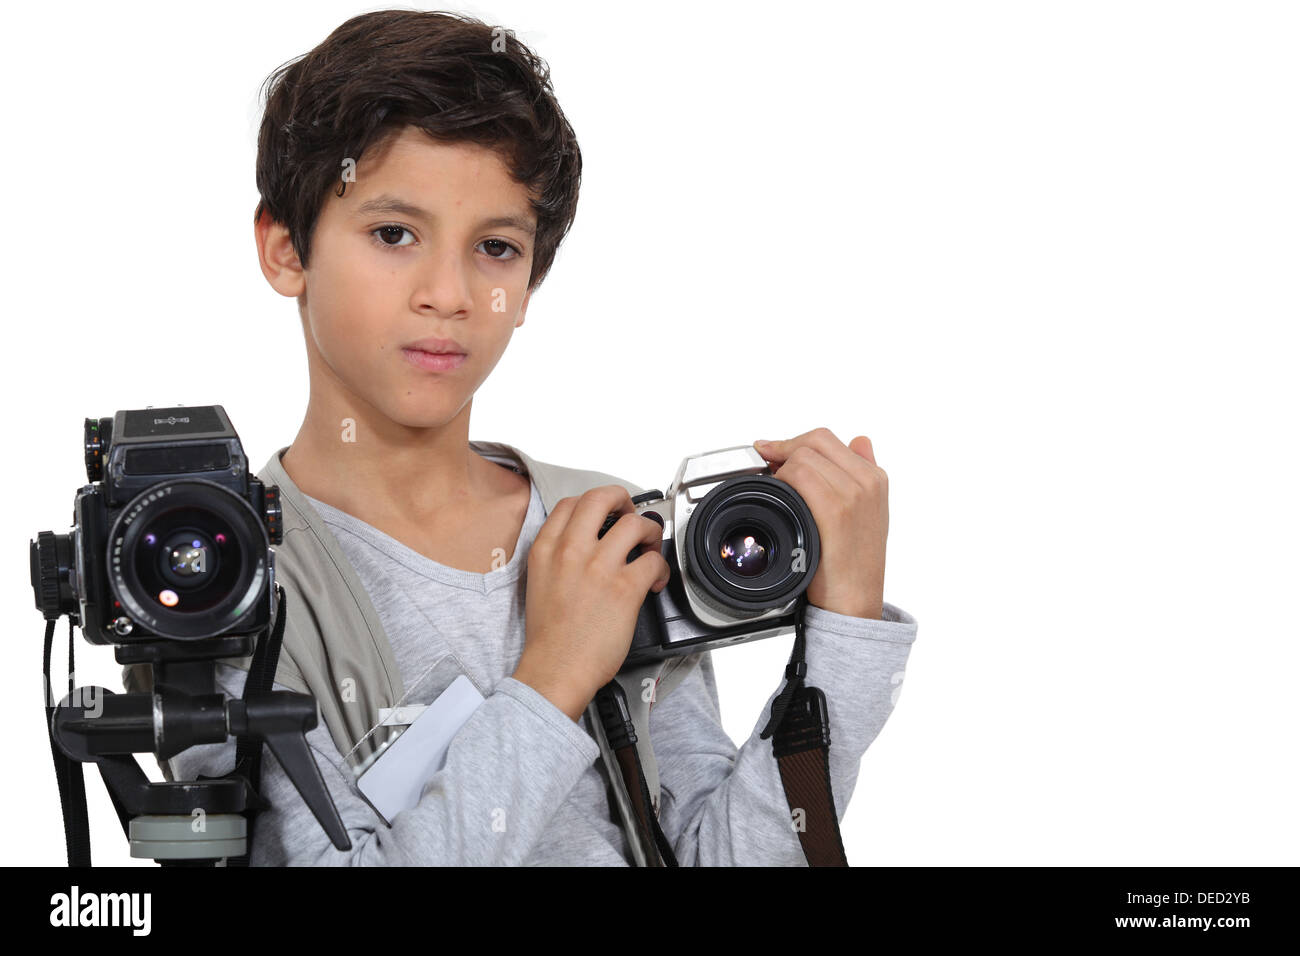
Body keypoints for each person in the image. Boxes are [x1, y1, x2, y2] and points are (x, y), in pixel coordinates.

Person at [136, 8, 919, 866]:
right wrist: (551, 679)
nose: (450, 292)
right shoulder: (217, 575)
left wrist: (845, 629)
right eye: (394, 234)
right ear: (286, 249)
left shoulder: (600, 527)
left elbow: (717, 857)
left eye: (497, 248)